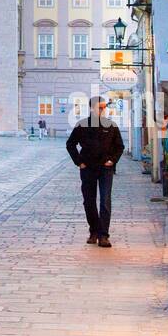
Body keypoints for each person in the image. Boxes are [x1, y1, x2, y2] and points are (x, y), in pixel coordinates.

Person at [66, 96, 125, 248]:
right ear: (92, 108)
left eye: (104, 107)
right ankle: (94, 231)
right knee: (89, 201)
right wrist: (79, 162)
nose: (103, 109)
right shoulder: (82, 125)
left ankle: (104, 235)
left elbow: (119, 146)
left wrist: (112, 160)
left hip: (105, 169)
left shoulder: (111, 125)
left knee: (105, 201)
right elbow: (70, 144)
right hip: (88, 169)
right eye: (100, 107)